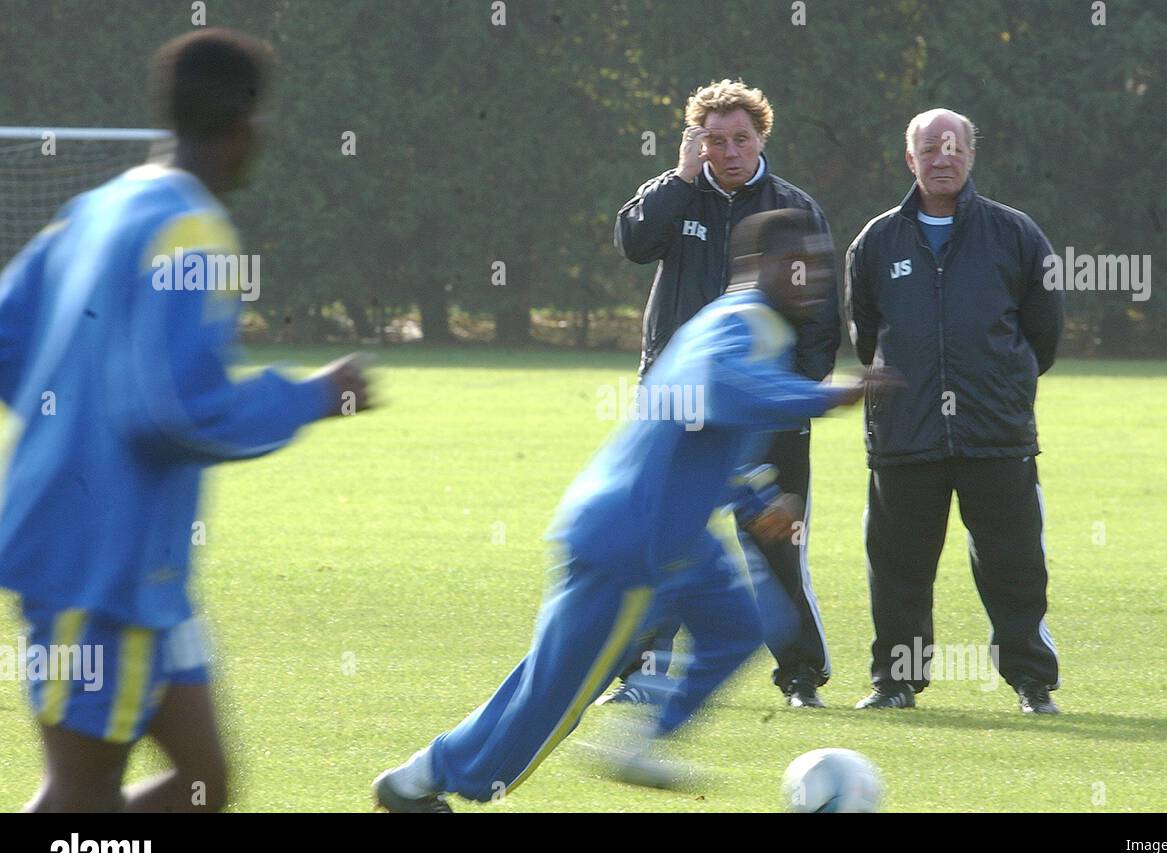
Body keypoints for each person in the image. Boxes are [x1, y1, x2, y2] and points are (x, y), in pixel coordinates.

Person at [374, 210, 888, 812]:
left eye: (823, 264)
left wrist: (753, 499)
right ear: (758, 266)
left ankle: (639, 736)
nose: (814, 275)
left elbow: (700, 428)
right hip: (634, 540)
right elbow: (714, 390)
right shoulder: (741, 322)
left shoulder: (749, 326)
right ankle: (421, 782)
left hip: (670, 538)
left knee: (742, 625)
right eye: (799, 263)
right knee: (554, 698)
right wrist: (824, 395)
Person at [0, 29, 372, 812]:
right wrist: (311, 396)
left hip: (139, 568)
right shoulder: (194, 233)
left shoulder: (96, 207)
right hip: (97, 563)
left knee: (205, 783)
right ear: (245, 129)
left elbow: (9, 336)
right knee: (80, 791)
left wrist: (65, 420)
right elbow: (172, 412)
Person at [611, 78, 841, 709]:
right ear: (697, 142)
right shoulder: (678, 195)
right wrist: (679, 177)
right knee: (663, 542)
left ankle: (800, 678)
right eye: (715, 140)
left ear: (762, 137)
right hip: (677, 409)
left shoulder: (795, 210)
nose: (730, 151)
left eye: (741, 138)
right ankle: (643, 674)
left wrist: (793, 395)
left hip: (763, 413)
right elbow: (633, 243)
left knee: (773, 540)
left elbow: (822, 321)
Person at [844, 108, 1065, 715]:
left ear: (971, 155)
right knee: (898, 570)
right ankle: (895, 683)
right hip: (905, 436)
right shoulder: (876, 241)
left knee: (1014, 566)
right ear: (908, 158)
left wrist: (1003, 384)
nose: (942, 157)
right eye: (928, 148)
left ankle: (1030, 683)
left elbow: (1042, 335)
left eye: (954, 146)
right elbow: (866, 334)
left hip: (995, 434)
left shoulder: (1015, 234)